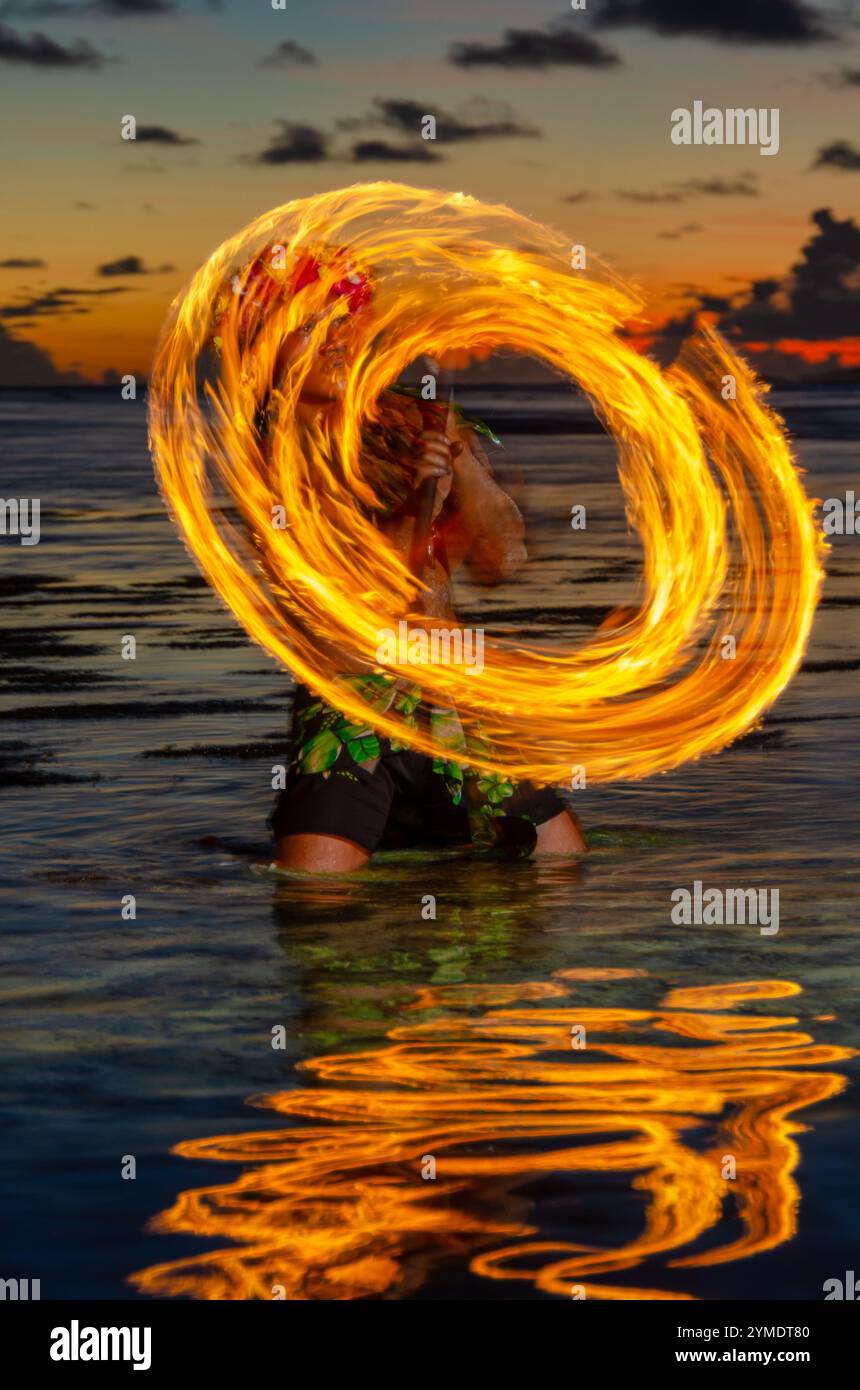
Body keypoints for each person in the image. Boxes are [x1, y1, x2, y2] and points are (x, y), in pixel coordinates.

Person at [212, 246, 586, 872]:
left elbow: (503, 557)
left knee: (561, 870)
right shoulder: (268, 460)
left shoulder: (408, 421)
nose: (335, 342)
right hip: (353, 708)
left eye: (342, 323)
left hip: (454, 700)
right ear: (260, 346)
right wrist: (420, 499)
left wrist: (461, 463)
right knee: (316, 905)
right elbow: (355, 579)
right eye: (310, 327)